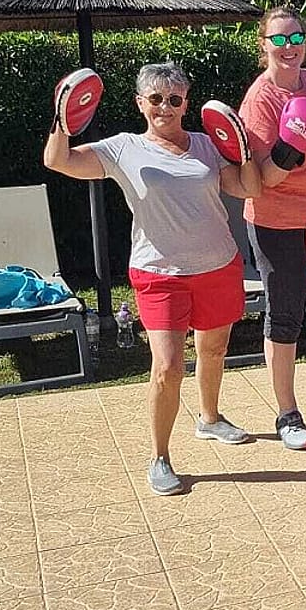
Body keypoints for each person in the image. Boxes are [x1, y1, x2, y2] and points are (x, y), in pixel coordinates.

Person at [44, 62, 261, 496]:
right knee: (166, 367)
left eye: (175, 99)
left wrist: (244, 150)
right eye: (156, 98)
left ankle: (210, 418)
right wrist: (62, 117)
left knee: (214, 349)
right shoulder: (124, 148)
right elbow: (58, 160)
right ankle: (160, 456)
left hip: (218, 265)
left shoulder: (205, 145)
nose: (166, 106)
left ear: (186, 103)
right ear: (141, 104)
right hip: (159, 274)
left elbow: (249, 188)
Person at [238, 7, 306, 450]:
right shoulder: (261, 100)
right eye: (279, 39)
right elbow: (264, 177)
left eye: (296, 37)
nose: (289, 47)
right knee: (284, 315)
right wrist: (291, 145)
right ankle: (287, 413)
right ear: (263, 45)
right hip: (278, 222)